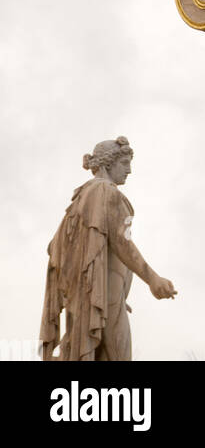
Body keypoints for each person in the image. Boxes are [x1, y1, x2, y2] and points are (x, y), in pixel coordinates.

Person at [40, 136, 176, 361]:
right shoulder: (106, 193)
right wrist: (153, 279)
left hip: (97, 296)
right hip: (105, 297)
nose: (129, 170)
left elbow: (56, 249)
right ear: (107, 164)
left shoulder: (80, 200)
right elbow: (123, 243)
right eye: (124, 163)